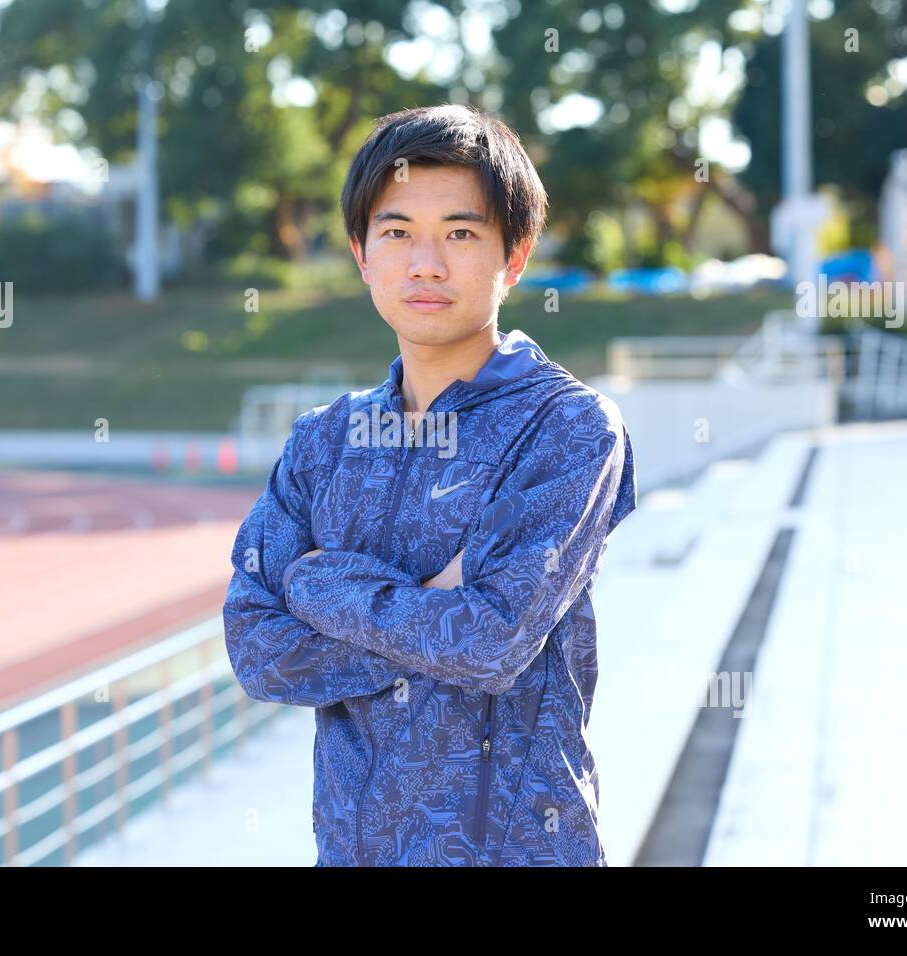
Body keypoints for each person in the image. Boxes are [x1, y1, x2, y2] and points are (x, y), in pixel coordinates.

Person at [223, 103, 637, 866]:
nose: (426, 264)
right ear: (361, 253)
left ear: (514, 257)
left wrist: (318, 590)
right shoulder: (324, 441)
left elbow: (490, 645)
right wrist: (433, 605)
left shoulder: (569, 428)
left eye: (460, 233)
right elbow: (257, 651)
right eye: (397, 232)